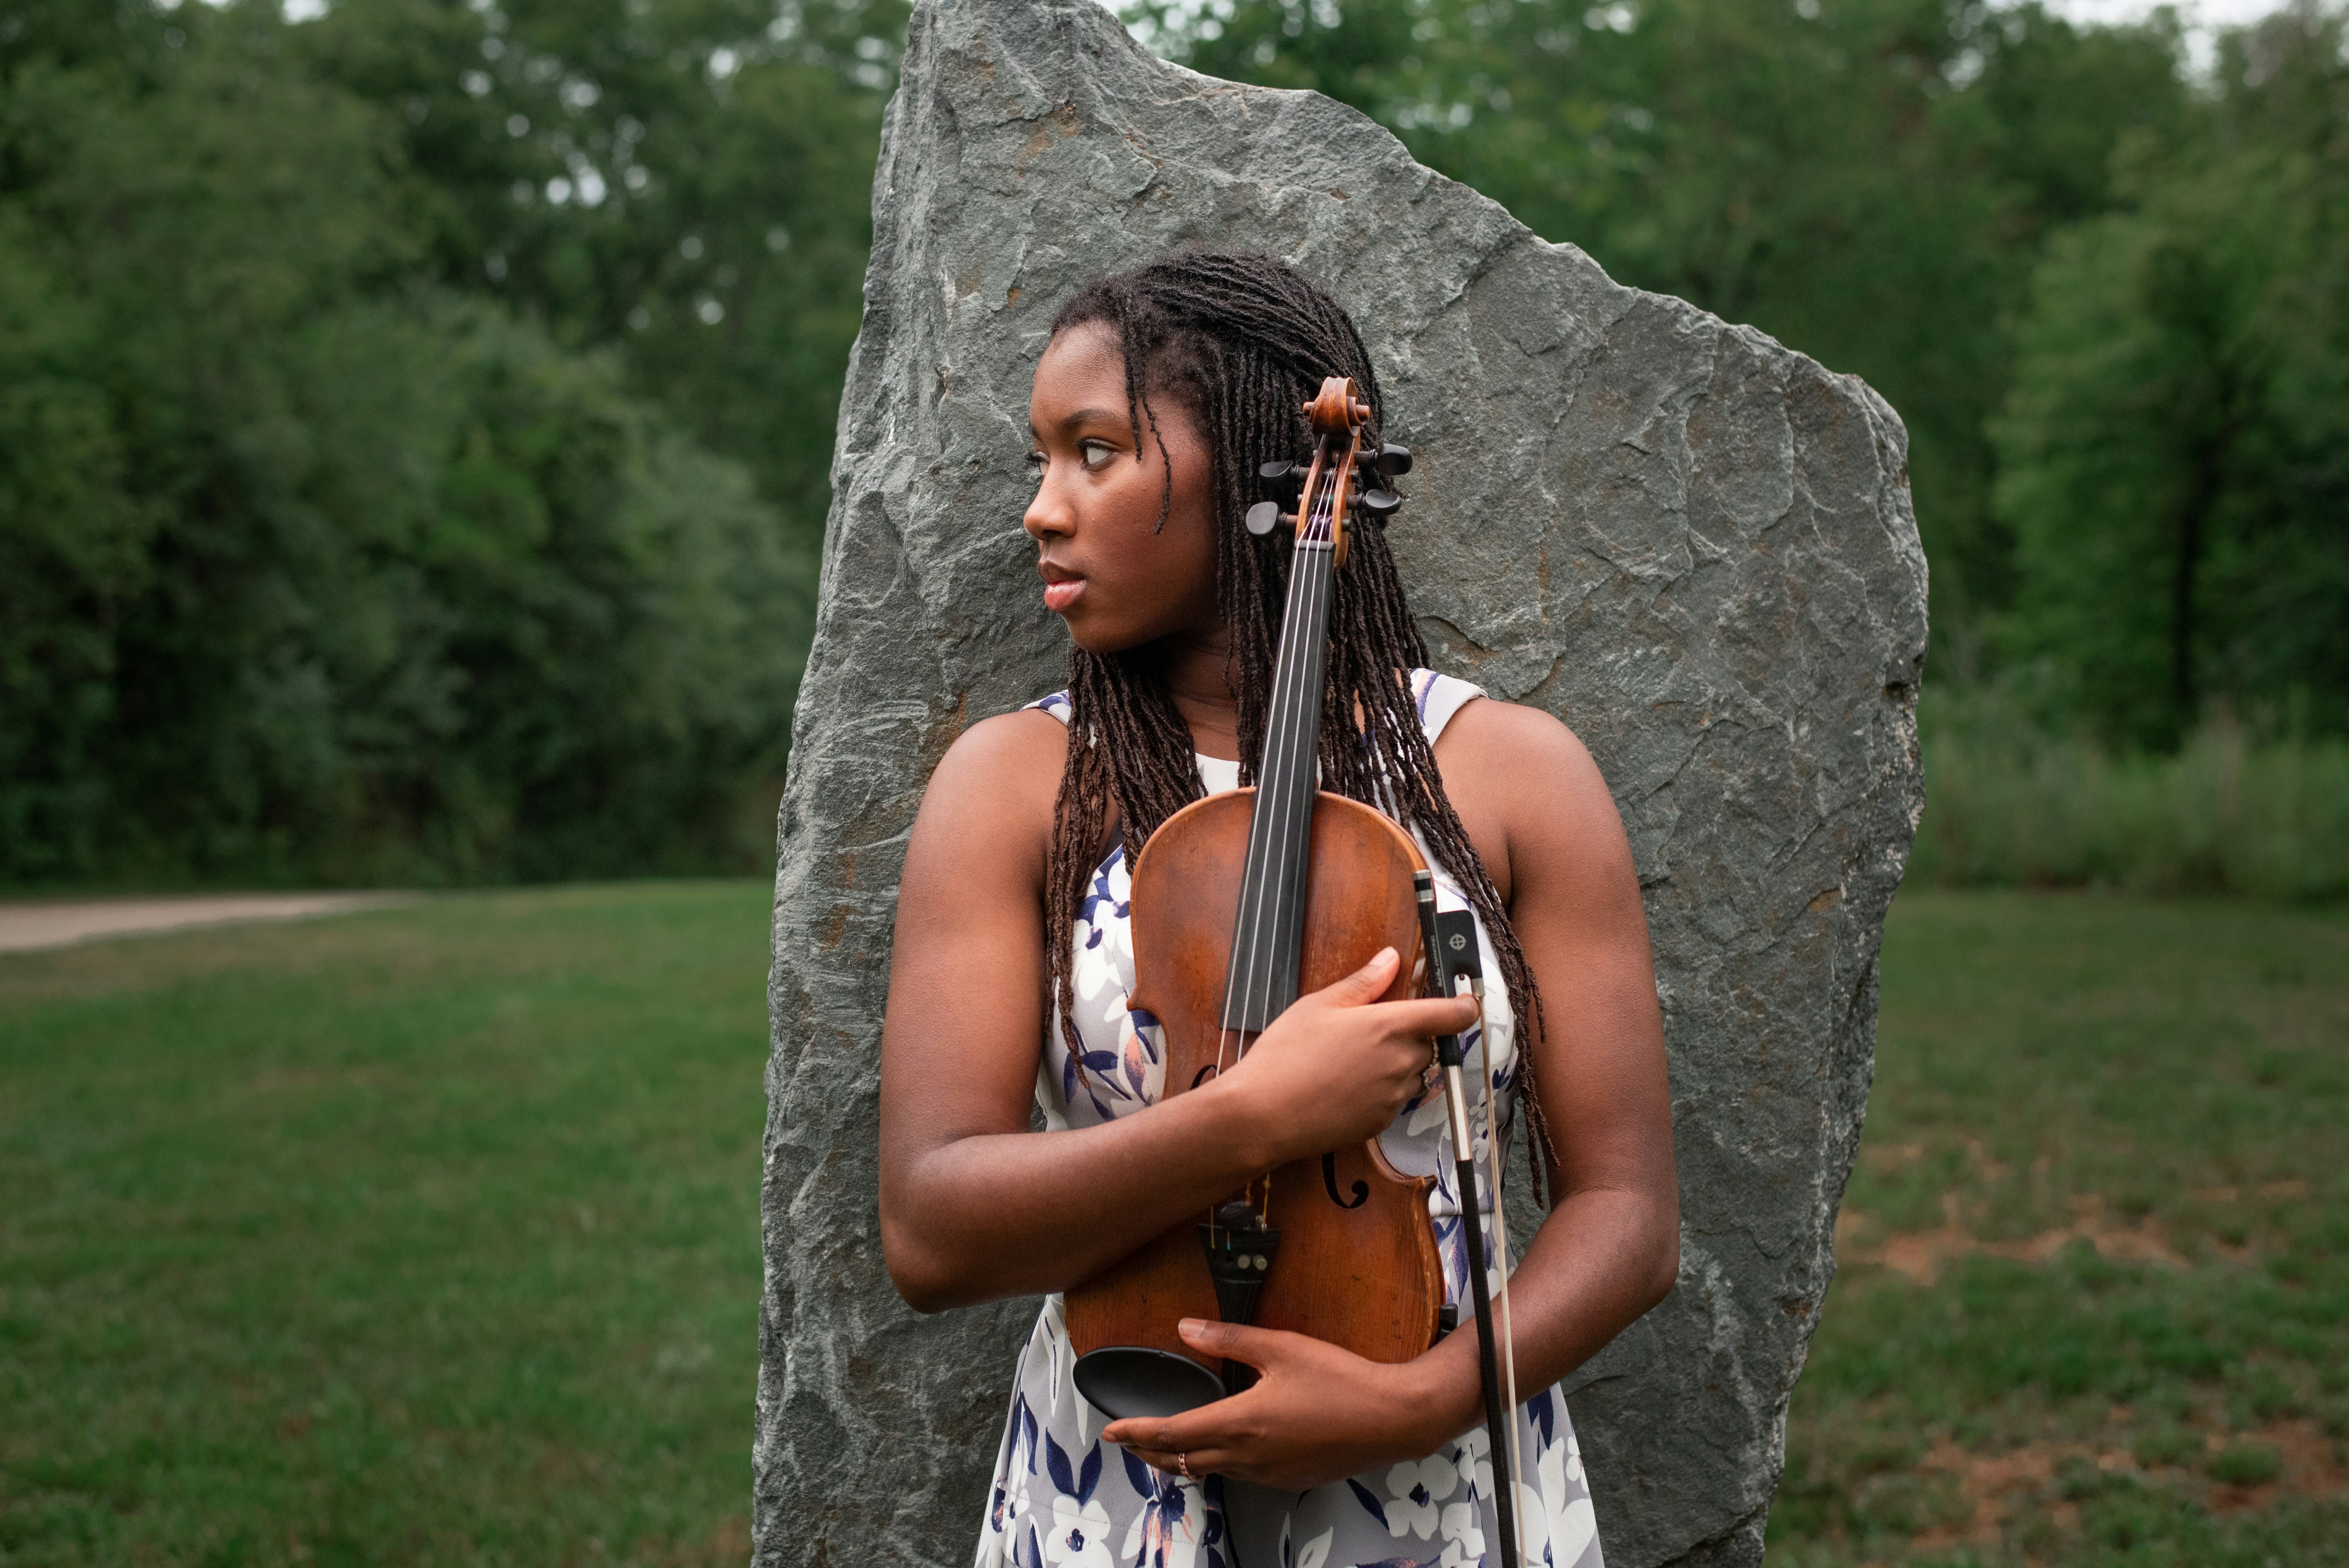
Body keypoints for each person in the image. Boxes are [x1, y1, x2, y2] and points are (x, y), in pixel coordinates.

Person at [878, 252, 1678, 1568]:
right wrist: (1245, 1117)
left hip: (1446, 1471)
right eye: (1041, 460)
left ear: (1265, 475)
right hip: (1116, 1468)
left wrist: (1415, 1403)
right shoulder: (1017, 784)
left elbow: (1631, 1214)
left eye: (1096, 452)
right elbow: (930, 1227)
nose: (1041, 509)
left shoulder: (1512, 775)